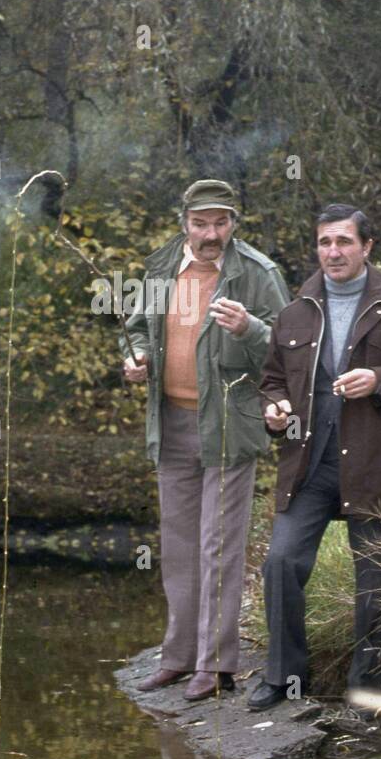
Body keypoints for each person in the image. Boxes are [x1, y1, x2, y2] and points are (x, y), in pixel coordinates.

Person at [248, 204, 381, 711]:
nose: (333, 252)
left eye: (343, 242)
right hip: (307, 465)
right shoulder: (295, 311)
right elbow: (271, 381)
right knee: (281, 562)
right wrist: (275, 407)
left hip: (373, 465)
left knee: (375, 575)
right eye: (324, 243)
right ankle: (284, 677)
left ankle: (370, 686)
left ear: (367, 246)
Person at [121, 179, 290, 702]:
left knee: (218, 544)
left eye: (220, 223)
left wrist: (249, 329)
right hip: (170, 420)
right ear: (184, 224)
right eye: (201, 223)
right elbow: (139, 328)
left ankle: (216, 666)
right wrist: (136, 357)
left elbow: (290, 347)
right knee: (177, 546)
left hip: (228, 426)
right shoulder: (157, 269)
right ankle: (177, 657)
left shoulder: (258, 274)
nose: (210, 233)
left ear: (233, 224)